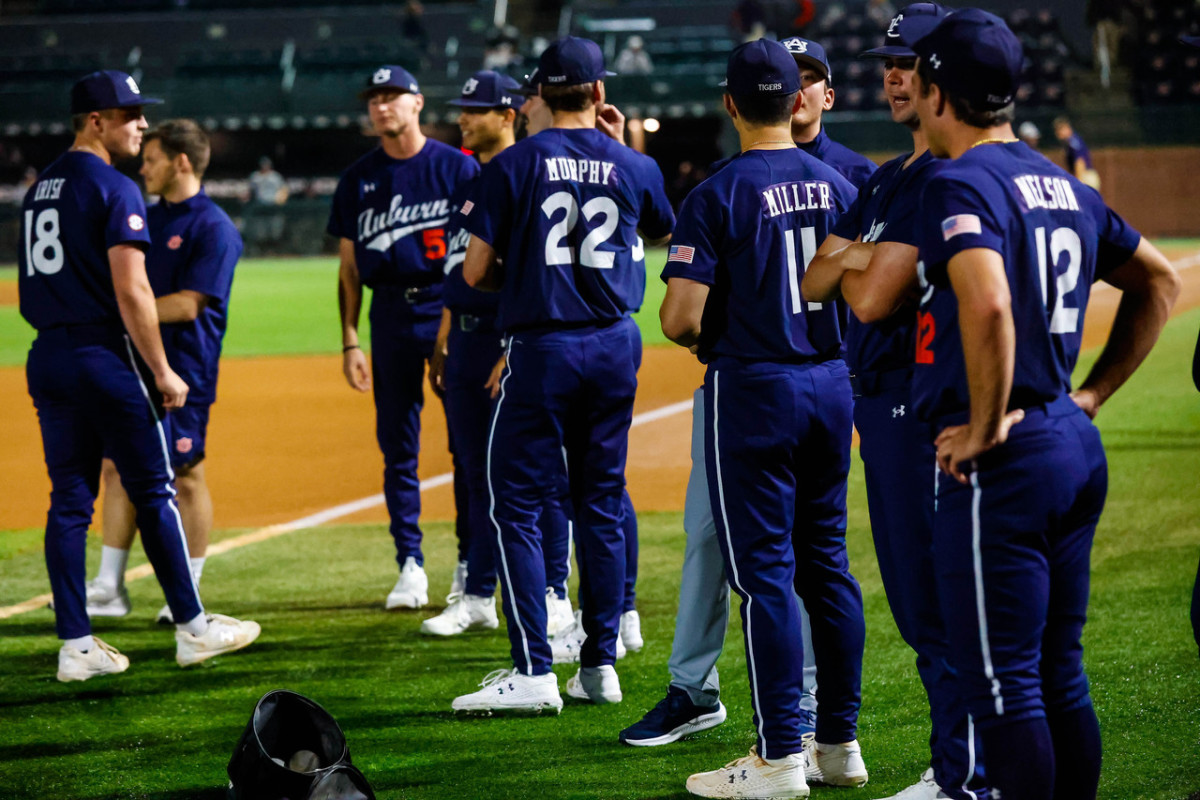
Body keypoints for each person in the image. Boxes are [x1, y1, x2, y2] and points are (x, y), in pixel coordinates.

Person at [901, 10, 1179, 799]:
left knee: (1004, 687)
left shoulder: (955, 181)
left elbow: (987, 307)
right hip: (1066, 435)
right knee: (1060, 673)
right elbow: (1161, 279)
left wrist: (984, 427)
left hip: (1007, 458)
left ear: (937, 92)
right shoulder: (1061, 180)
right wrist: (1090, 392)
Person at [619, 30, 875, 751]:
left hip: (755, 389)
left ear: (730, 103)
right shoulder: (844, 186)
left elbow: (679, 318)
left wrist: (725, 331)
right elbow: (866, 293)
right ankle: (840, 745)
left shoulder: (716, 192)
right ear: (796, 101)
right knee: (828, 567)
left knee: (765, 575)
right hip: (831, 384)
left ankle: (779, 752)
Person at [451, 36, 674, 714]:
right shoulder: (634, 164)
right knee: (600, 501)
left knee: (516, 503)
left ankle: (535, 670)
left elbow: (474, 272)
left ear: (537, 98)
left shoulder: (514, 164)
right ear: (601, 93)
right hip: (614, 344)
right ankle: (601, 664)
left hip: (544, 344)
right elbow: (660, 229)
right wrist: (621, 149)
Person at [802, 6, 992, 799]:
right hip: (876, 405)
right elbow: (813, 278)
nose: (894, 74)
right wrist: (866, 258)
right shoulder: (886, 178)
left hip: (917, 408)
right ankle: (961, 767)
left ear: (944, 74)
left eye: (911, 62)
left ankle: (963, 775)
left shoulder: (939, 182)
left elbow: (870, 299)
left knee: (934, 604)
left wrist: (863, 257)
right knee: (922, 604)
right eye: (888, 62)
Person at [20, 70, 260, 682]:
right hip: (106, 356)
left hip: (47, 354)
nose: (141, 124)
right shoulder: (114, 187)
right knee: (155, 489)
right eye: (130, 115)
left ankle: (76, 645)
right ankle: (193, 627)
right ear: (95, 122)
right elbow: (132, 292)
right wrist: (162, 370)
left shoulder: (39, 188)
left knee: (70, 500)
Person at [329, 65, 480, 610]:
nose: (380, 106)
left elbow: (475, 258)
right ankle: (410, 565)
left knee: (465, 443)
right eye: (374, 99)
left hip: (448, 310)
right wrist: (349, 338)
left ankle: (469, 563)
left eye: (391, 96)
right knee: (397, 447)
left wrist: (454, 322)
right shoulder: (357, 180)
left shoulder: (456, 169)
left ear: (418, 103)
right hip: (389, 315)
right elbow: (348, 270)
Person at [83, 119, 243, 626]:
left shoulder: (213, 225)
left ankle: (188, 590)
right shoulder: (145, 218)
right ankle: (108, 586)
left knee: (186, 474)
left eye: (151, 159)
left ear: (180, 162)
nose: (142, 167)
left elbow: (190, 305)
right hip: (134, 365)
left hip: (184, 369)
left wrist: (122, 310)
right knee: (115, 467)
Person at [420, 70, 524, 637]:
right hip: (461, 339)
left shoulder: (522, 175)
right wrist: (441, 336)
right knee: (469, 469)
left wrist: (512, 346)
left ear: (508, 115)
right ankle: (476, 584)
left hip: (500, 339)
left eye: (475, 109)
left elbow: (528, 278)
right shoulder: (468, 180)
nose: (463, 117)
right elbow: (455, 268)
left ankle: (516, 590)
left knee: (510, 473)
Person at [781, 37, 878, 190]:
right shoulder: (740, 174)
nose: (796, 88)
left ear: (828, 98)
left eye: (807, 77)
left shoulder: (862, 174)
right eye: (785, 77)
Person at [245, 156, 288, 255]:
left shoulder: (275, 176)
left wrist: (281, 198)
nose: (265, 167)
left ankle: (274, 251)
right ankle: (262, 252)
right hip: (260, 206)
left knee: (275, 230)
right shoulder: (255, 176)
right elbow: (249, 191)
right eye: (263, 165)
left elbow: (284, 189)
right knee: (260, 231)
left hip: (273, 205)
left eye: (267, 165)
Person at [1053, 116, 1100, 190]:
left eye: (1060, 129)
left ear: (1067, 128)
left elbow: (1079, 162)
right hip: (1086, 176)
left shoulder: (1073, 143)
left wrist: (1078, 182)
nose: (1057, 133)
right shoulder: (1071, 141)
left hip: (1085, 176)